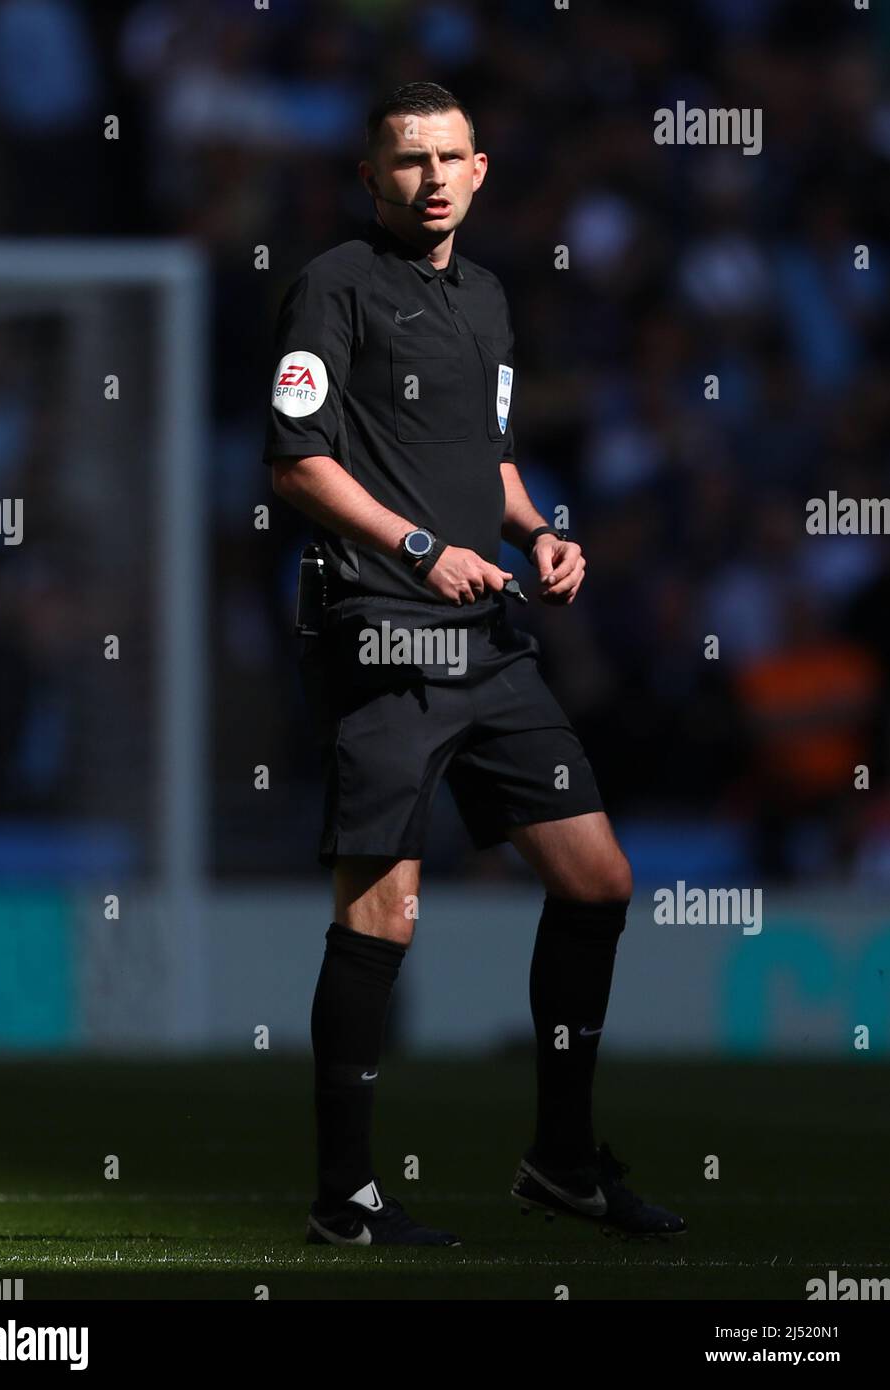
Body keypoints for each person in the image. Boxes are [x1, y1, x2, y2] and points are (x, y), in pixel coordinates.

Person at [264, 81, 686, 1246]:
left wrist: (538, 530)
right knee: (383, 913)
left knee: (596, 878)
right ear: (371, 179)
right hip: (381, 634)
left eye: (450, 157)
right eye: (407, 162)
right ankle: (344, 1197)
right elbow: (293, 463)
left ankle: (558, 1161)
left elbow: (486, 462)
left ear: (481, 169)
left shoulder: (489, 300)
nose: (432, 177)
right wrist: (414, 547)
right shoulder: (333, 287)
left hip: (486, 638)